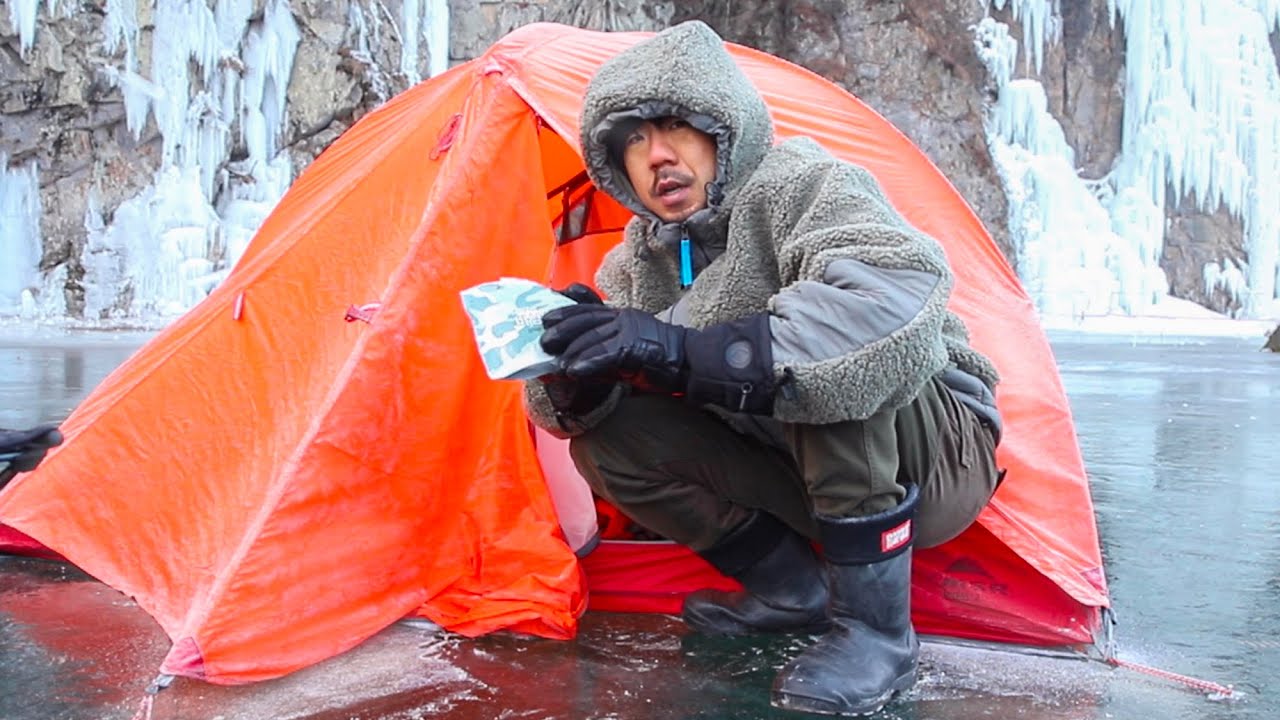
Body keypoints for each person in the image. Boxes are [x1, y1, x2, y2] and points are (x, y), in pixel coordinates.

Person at [523, 20, 1003, 717]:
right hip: (795, 467)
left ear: (723, 129)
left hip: (938, 459)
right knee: (611, 439)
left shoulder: (803, 182)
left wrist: (674, 349)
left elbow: (890, 296)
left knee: (831, 360)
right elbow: (568, 415)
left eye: (675, 126)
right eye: (632, 141)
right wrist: (578, 372)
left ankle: (876, 636)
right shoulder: (631, 264)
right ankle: (791, 589)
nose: (657, 156)